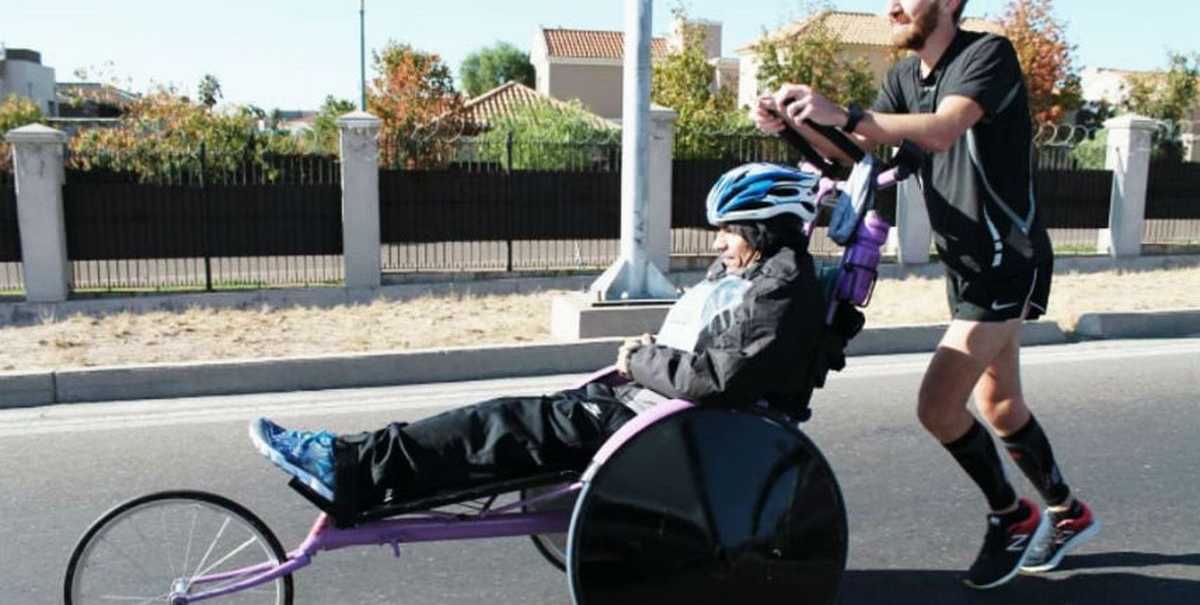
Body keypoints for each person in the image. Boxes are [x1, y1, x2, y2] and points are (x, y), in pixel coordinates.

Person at [750, 0, 1097, 590]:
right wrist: (796, 124)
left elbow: (942, 129)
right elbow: (869, 164)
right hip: (966, 264)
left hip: (1006, 258)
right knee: (999, 401)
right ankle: (1066, 511)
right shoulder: (904, 79)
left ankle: (1011, 515)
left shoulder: (986, 55)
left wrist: (848, 112)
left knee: (939, 403)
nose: (892, 5)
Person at [250, 162, 838, 518]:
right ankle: (356, 459)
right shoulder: (760, 276)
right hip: (647, 410)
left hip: (659, 423)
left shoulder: (780, 287)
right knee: (501, 420)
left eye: (728, 233)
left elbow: (719, 378)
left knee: (495, 427)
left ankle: (352, 466)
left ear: (762, 226)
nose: (717, 245)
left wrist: (639, 359)